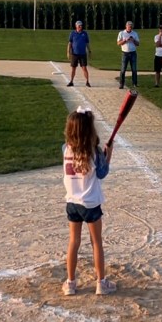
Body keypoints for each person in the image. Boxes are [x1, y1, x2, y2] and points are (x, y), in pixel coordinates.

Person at [61, 108, 116, 296]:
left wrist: (102, 152)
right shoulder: (94, 152)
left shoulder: (65, 148)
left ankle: (70, 283)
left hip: (72, 203)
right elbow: (102, 173)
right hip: (91, 203)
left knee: (74, 241)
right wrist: (108, 154)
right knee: (96, 242)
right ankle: (101, 282)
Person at [66, 20, 92, 87]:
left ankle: (87, 81)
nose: (80, 26)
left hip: (82, 54)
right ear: (76, 26)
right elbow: (70, 43)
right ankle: (71, 81)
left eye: (81, 25)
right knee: (73, 68)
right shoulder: (72, 33)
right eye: (79, 25)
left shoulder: (84, 33)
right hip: (74, 53)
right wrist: (68, 52)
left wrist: (89, 51)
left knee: (84, 68)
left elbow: (87, 43)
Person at [116, 21, 140, 89]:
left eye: (131, 26)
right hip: (125, 53)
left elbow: (138, 44)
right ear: (126, 26)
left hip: (133, 53)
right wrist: (125, 40)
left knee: (134, 69)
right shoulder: (121, 33)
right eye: (129, 26)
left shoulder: (135, 33)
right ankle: (121, 83)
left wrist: (133, 40)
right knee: (123, 69)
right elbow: (118, 43)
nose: (130, 28)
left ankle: (135, 83)